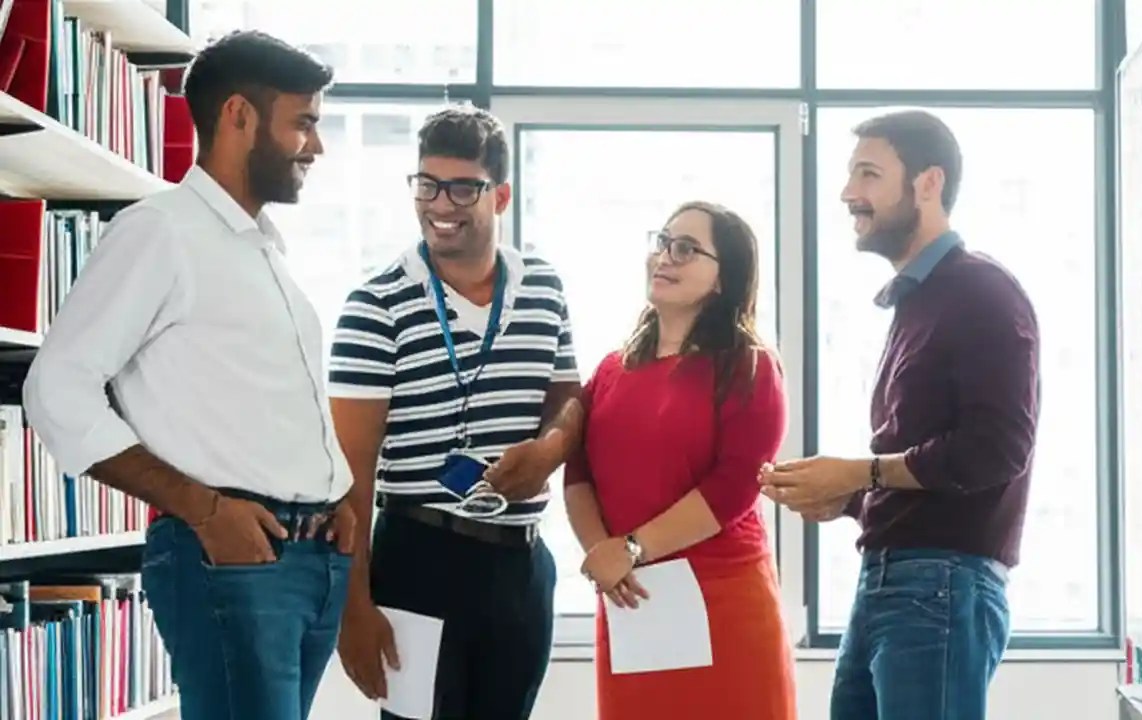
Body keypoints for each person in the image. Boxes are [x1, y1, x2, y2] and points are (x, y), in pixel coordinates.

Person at [22, 30, 357, 720]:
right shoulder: (162, 232)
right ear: (238, 116)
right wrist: (205, 511)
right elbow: (55, 387)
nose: (317, 148)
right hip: (232, 558)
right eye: (304, 123)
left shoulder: (260, 248)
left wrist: (341, 500)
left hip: (306, 558)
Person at [760, 109, 1041, 720]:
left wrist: (860, 474)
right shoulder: (919, 301)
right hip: (895, 582)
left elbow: (995, 450)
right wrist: (847, 497)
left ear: (928, 183)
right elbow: (930, 465)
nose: (847, 193)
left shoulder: (980, 291)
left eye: (868, 173)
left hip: (938, 585)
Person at [328, 105, 581, 719]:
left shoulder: (543, 286)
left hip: (520, 563)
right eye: (427, 184)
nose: (441, 204)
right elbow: (350, 470)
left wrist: (548, 450)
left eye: (463, 187)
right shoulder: (376, 302)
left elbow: (569, 402)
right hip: (419, 557)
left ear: (501, 195)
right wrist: (353, 606)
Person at [564, 201, 797, 720]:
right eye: (663, 242)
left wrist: (630, 547)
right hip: (633, 598)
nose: (665, 257)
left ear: (722, 279)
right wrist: (602, 553)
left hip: (724, 600)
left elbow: (736, 485)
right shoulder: (611, 368)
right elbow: (576, 469)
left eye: (687, 249)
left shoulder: (750, 365)